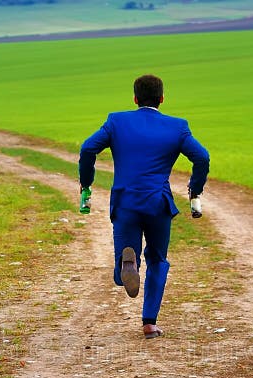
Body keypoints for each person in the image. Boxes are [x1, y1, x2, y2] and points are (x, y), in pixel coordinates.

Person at [79, 74, 210, 339]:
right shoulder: (177, 127)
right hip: (157, 203)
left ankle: (128, 266)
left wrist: (86, 184)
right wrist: (194, 190)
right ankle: (149, 323)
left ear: (135, 98)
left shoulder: (117, 121)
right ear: (162, 99)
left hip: (125, 202)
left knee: (124, 266)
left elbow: (87, 149)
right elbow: (202, 157)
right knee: (158, 260)